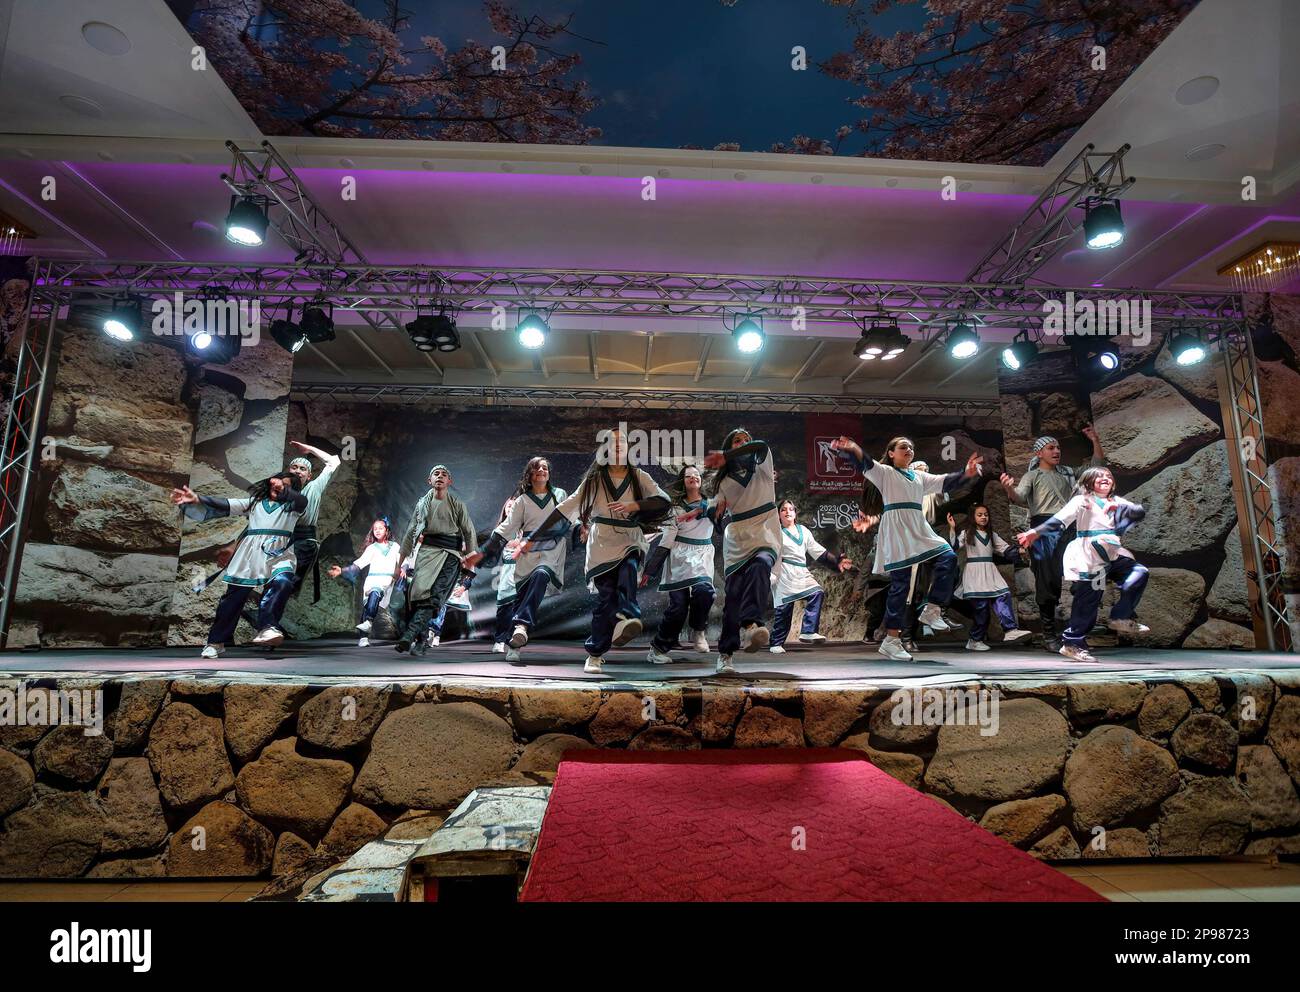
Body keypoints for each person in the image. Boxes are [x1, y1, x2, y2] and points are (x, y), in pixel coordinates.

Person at [508, 430, 669, 674]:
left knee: (629, 567)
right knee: (606, 601)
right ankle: (595, 653)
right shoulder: (595, 479)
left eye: (622, 442)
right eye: (612, 442)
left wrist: (634, 505)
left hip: (630, 538)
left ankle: (628, 615)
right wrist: (532, 537)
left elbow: (663, 500)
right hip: (601, 542)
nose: (617, 446)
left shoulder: (639, 476)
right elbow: (566, 507)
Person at [833, 435, 981, 662]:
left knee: (948, 556)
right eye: (903, 447)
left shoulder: (919, 476)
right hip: (897, 530)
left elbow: (945, 481)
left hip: (918, 527)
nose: (909, 450)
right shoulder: (885, 473)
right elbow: (866, 462)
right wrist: (853, 447)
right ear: (891, 453)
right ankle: (892, 640)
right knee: (900, 586)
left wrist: (966, 473)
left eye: (911, 447)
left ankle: (932, 608)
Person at [1018, 467, 1149, 663]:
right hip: (1091, 557)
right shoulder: (1082, 500)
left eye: (1108, 476)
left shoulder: (1116, 501)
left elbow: (1139, 512)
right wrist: (1035, 532)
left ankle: (1120, 617)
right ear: (1089, 481)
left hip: (1112, 553)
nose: (1105, 478)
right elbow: (1059, 520)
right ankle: (1072, 643)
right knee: (1089, 600)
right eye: (1100, 476)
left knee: (1138, 572)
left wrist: (1123, 509)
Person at [171, 472, 308, 659]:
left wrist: (285, 490)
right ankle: (216, 642)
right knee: (233, 599)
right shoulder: (254, 504)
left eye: (287, 486)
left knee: (282, 582)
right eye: (278, 484)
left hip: (279, 554)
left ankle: (268, 627)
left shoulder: (293, 508)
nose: (279, 487)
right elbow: (227, 504)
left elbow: (301, 500)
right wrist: (198, 498)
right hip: (249, 556)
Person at [999, 426, 1106, 652]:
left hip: (1067, 526)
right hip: (1043, 529)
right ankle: (1049, 636)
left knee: (1083, 575)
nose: (1056, 451)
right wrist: (1009, 488)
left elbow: (1096, 466)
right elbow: (1019, 496)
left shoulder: (1067, 472)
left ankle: (1078, 631)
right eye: (1050, 448)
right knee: (1047, 581)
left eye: (1057, 447)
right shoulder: (1032, 475)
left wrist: (1095, 440)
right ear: (1039, 453)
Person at [693, 428, 783, 675]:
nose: (743, 442)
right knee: (732, 598)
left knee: (762, 564)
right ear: (729, 445)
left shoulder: (763, 466)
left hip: (764, 529)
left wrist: (725, 454)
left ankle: (751, 624)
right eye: (737, 440)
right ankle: (725, 654)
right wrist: (711, 510)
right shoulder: (724, 481)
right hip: (737, 537)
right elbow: (717, 506)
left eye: (746, 440)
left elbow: (761, 444)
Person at [464, 457, 570, 663]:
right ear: (529, 475)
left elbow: (568, 518)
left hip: (551, 548)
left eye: (545, 468)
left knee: (542, 574)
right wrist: (482, 552)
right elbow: (506, 528)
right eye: (537, 468)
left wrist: (582, 527)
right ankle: (515, 644)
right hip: (525, 553)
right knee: (520, 599)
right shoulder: (522, 501)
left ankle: (521, 625)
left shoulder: (559, 495)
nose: (542, 470)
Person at [253, 441, 341, 647]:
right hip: (281, 542)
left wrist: (309, 449)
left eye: (303, 469)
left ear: (309, 475)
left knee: (283, 583)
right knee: (276, 584)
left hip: (303, 542)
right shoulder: (279, 494)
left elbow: (334, 462)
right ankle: (267, 626)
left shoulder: (313, 487)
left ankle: (267, 624)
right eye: (294, 467)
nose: (298, 471)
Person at [395, 464, 477, 657]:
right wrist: (399, 563)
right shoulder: (422, 504)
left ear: (449, 481)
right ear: (429, 480)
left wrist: (470, 561)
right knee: (419, 598)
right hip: (427, 554)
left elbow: (469, 531)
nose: (440, 476)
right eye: (436, 474)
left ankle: (410, 634)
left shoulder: (457, 504)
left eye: (444, 474)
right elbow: (411, 532)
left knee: (434, 598)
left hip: (450, 555)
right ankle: (421, 640)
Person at [642, 465, 719, 664]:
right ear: (683, 481)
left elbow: (721, 513)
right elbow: (666, 540)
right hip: (679, 556)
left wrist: (700, 510)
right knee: (678, 607)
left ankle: (698, 630)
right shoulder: (675, 508)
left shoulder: (712, 503)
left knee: (705, 592)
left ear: (701, 480)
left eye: (696, 474)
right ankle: (658, 649)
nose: (693, 477)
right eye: (688, 476)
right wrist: (650, 570)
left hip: (702, 554)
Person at [769, 499, 852, 654]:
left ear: (795, 513)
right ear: (778, 515)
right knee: (784, 609)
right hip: (784, 572)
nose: (787, 512)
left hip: (801, 571)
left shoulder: (803, 531)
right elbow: (769, 553)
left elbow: (817, 551)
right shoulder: (775, 532)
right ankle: (776, 642)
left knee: (816, 592)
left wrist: (837, 561)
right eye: (783, 509)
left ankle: (808, 631)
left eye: (790, 509)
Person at [954, 504, 1033, 651]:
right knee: (981, 608)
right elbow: (954, 546)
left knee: (1003, 594)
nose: (983, 517)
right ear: (973, 517)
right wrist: (952, 530)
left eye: (986, 514)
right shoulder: (967, 533)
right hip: (975, 573)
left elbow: (1005, 549)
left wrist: (1019, 551)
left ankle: (1010, 630)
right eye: (979, 515)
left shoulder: (992, 534)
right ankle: (975, 639)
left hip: (990, 571)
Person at [327, 516, 401, 647]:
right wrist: (342, 571)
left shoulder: (395, 546)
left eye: (380, 528)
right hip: (372, 580)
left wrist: (403, 569)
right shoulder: (372, 548)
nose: (377, 531)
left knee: (375, 595)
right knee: (371, 599)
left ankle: (368, 623)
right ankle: (364, 635)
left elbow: (403, 561)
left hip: (387, 581)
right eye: (375, 529)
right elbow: (358, 566)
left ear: (387, 530)